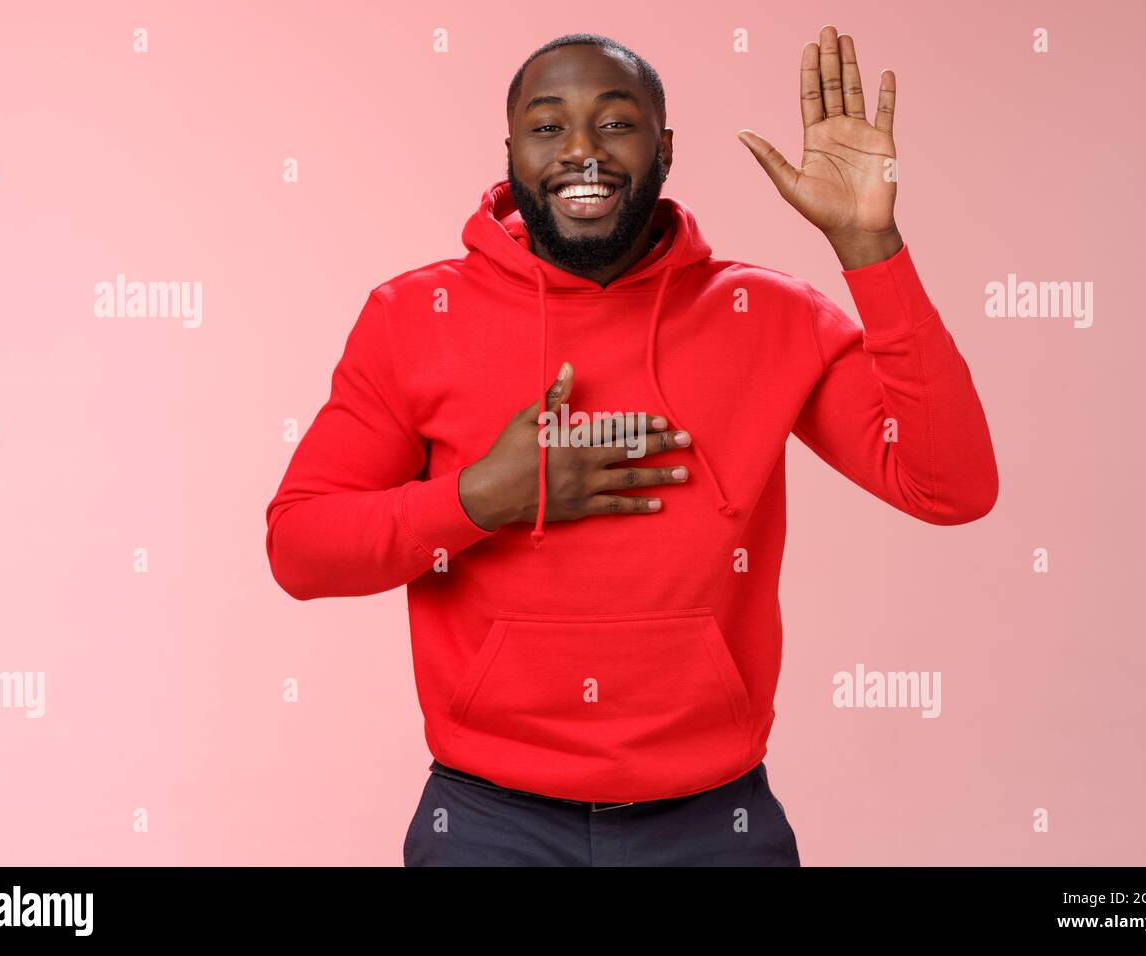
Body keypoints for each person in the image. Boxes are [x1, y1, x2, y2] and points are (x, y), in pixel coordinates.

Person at [265, 26, 998, 866]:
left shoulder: (771, 315)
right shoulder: (410, 317)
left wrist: (869, 248)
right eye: (548, 127)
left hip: (715, 824)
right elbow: (300, 548)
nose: (583, 151)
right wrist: (482, 498)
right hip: (485, 824)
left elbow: (952, 487)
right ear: (511, 152)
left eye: (615, 123)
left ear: (665, 148)